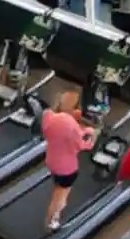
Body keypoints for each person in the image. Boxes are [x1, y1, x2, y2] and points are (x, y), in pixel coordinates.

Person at [41, 91, 96, 231]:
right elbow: (82, 145)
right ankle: (51, 221)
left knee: (57, 186)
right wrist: (91, 133)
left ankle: (53, 208)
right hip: (67, 169)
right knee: (61, 196)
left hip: (51, 161)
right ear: (76, 110)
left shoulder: (50, 117)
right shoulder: (72, 126)